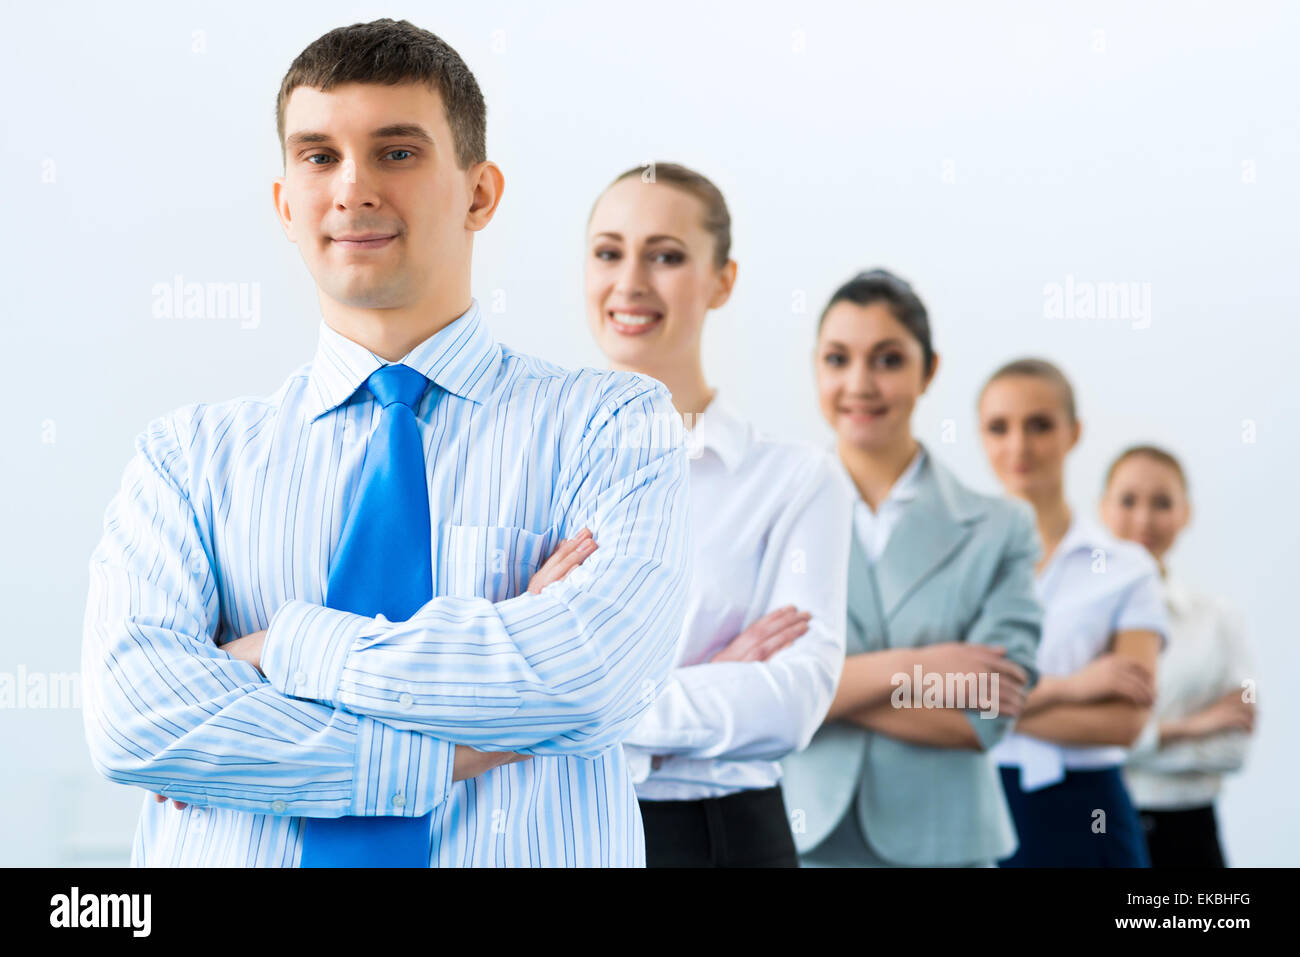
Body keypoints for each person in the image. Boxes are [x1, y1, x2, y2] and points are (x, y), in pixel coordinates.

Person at [80, 18, 692, 868]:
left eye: (397, 152)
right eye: (319, 155)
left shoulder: (614, 424)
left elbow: (594, 679)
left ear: (479, 193)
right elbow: (139, 719)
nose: (352, 187)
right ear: (283, 203)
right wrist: (457, 746)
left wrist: (281, 648)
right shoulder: (187, 459)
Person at [582, 162, 853, 867]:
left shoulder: (794, 479)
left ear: (722, 280)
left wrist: (588, 713)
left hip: (718, 838)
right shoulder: (537, 469)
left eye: (665, 255)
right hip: (559, 828)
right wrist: (703, 687)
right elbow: (488, 684)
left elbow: (791, 699)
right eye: (609, 252)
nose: (631, 281)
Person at [779, 269, 1042, 868]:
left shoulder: (1001, 527)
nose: (859, 384)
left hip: (947, 845)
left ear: (930, 370)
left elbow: (984, 713)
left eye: (888, 359)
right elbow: (750, 689)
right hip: (803, 839)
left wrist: (815, 687)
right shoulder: (775, 512)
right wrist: (919, 668)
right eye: (838, 359)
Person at [979, 358, 1167, 867]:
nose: (1018, 446)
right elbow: (928, 699)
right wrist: (1074, 689)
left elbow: (1123, 723)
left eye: (1039, 425)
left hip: (1088, 812)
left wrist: (985, 708)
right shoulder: (951, 563)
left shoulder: (1129, 569)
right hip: (974, 803)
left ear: (1074, 432)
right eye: (999, 427)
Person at [1101, 445, 1255, 867]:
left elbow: (1235, 748)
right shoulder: (1083, 622)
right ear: (1103, 509)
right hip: (1102, 824)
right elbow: (1075, 739)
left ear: (1185, 513)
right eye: (1128, 500)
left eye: (1163, 502)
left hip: (1191, 835)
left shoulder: (1218, 619)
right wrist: (1197, 725)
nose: (1144, 519)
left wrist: (1129, 737)